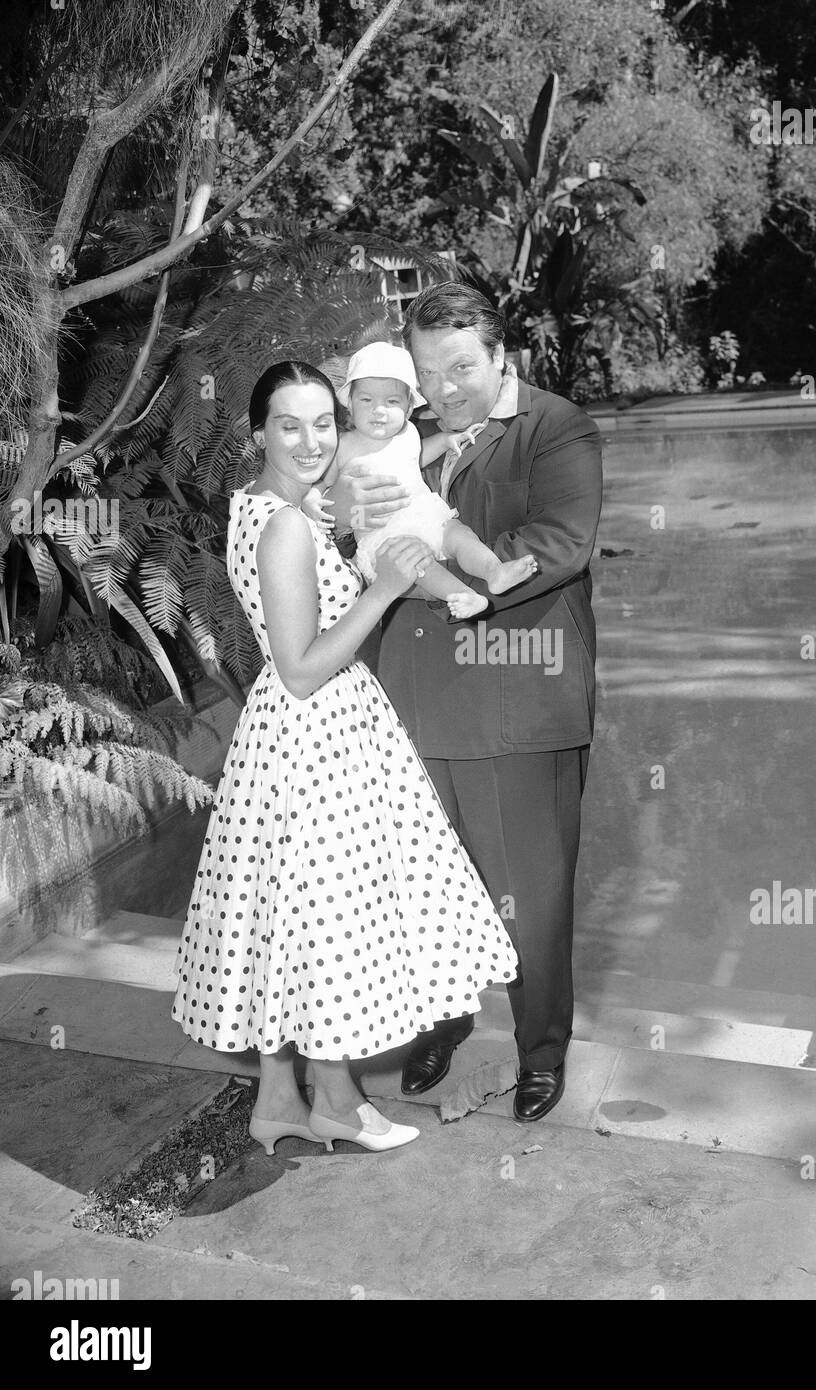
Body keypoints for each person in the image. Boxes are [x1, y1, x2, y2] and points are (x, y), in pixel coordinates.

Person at [171, 360, 519, 1155]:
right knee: (331, 920)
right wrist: (383, 590)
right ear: (256, 432)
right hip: (315, 730)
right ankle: (333, 1102)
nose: (310, 440)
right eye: (288, 425)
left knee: (285, 918)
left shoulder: (261, 508)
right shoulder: (288, 525)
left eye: (323, 423)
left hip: (292, 735)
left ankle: (278, 1101)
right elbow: (298, 666)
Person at [326, 284, 603, 1122]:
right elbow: (349, 543)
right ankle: (441, 1022)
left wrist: (418, 577)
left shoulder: (554, 428)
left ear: (499, 359)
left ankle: (540, 1051)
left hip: (514, 701)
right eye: (425, 373)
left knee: (530, 889)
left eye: (460, 369)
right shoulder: (393, 440)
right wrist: (348, 523)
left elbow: (557, 544)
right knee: (424, 885)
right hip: (405, 700)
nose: (443, 389)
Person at [306, 341, 538, 618]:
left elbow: (417, 456)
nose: (378, 410)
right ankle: (462, 595)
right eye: (366, 400)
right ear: (350, 407)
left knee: (460, 535)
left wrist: (447, 440)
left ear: (407, 410)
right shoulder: (343, 445)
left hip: (427, 516)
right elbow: (322, 484)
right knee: (419, 563)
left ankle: (494, 571)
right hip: (387, 537)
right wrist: (312, 498)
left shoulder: (408, 435)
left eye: (391, 402)